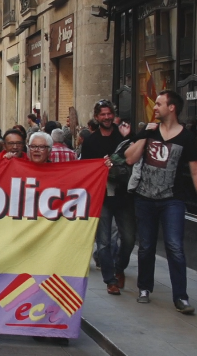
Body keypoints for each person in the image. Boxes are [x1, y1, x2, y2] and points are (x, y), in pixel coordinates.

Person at [125, 91, 197, 313]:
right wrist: (144, 134)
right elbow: (130, 158)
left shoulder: (186, 138)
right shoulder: (150, 132)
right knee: (146, 247)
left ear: (171, 108)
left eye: (159, 104)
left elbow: (196, 171)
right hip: (145, 198)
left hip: (173, 200)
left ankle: (181, 297)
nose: (155, 107)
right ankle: (144, 288)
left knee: (175, 247)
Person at [80, 99, 134, 296]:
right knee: (103, 242)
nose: (106, 117)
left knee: (128, 239)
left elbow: (134, 157)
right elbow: (84, 169)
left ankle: (120, 267)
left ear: (114, 115)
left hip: (124, 196)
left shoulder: (123, 136)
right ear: (96, 117)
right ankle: (110, 280)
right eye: (102, 114)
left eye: (109, 113)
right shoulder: (91, 141)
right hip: (101, 197)